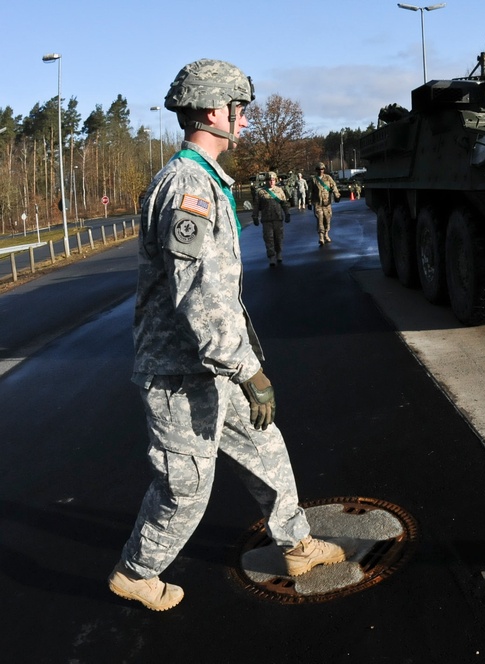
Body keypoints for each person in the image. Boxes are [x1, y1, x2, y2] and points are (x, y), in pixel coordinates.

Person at [108, 58, 347, 612]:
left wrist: (237, 367)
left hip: (212, 366)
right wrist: (248, 370)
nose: (244, 119)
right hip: (180, 373)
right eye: (239, 108)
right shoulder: (187, 187)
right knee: (186, 487)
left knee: (265, 448)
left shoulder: (205, 180)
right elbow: (200, 296)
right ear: (214, 111)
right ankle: (136, 572)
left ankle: (297, 545)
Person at [252, 171, 291, 266]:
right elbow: (256, 206)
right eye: (269, 180)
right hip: (267, 219)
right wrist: (255, 216)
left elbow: (284, 203)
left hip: (278, 218)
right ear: (266, 181)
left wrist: (287, 214)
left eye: (273, 180)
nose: (271, 181)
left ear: (275, 180)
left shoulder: (279, 191)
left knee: (278, 237)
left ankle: (279, 253)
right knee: (268, 238)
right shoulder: (260, 192)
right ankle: (272, 257)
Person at [308, 162, 340, 247]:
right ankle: (321, 237)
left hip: (327, 203)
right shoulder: (313, 179)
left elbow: (333, 186)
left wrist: (337, 195)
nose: (321, 171)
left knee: (327, 219)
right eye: (319, 169)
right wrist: (309, 201)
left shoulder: (328, 178)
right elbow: (310, 191)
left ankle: (326, 234)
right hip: (317, 203)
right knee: (320, 219)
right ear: (316, 170)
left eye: (322, 169)